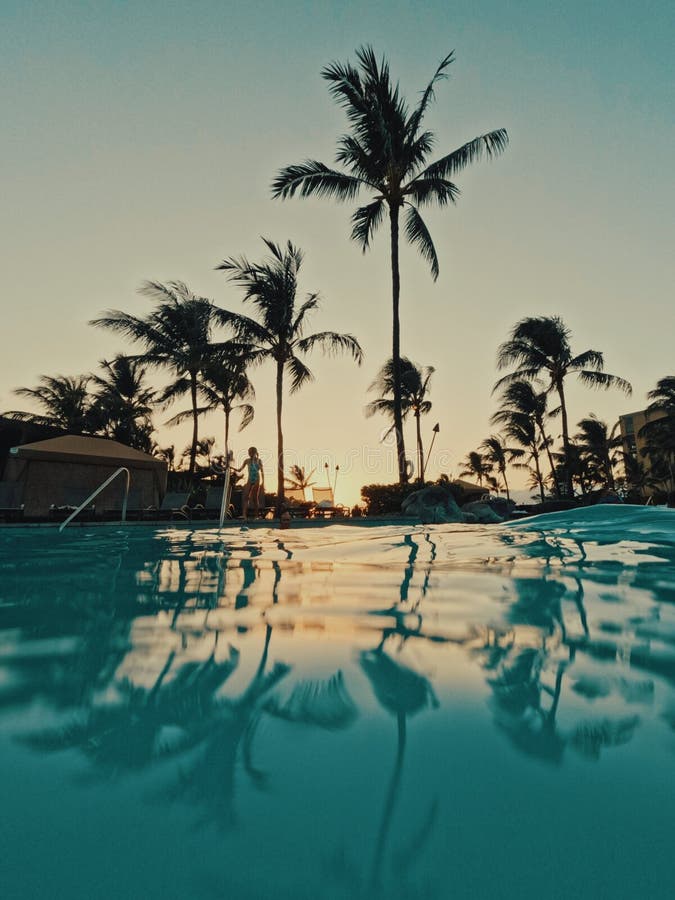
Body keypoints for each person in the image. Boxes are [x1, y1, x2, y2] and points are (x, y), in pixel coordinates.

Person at [234, 447, 264, 518]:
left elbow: (262, 471)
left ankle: (256, 515)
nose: (249, 453)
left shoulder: (259, 460)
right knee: (246, 496)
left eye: (251, 452)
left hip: (256, 479)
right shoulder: (246, 461)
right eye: (249, 452)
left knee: (254, 498)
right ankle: (244, 515)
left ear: (254, 453)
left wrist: (263, 482)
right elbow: (240, 470)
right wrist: (232, 468)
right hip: (250, 479)